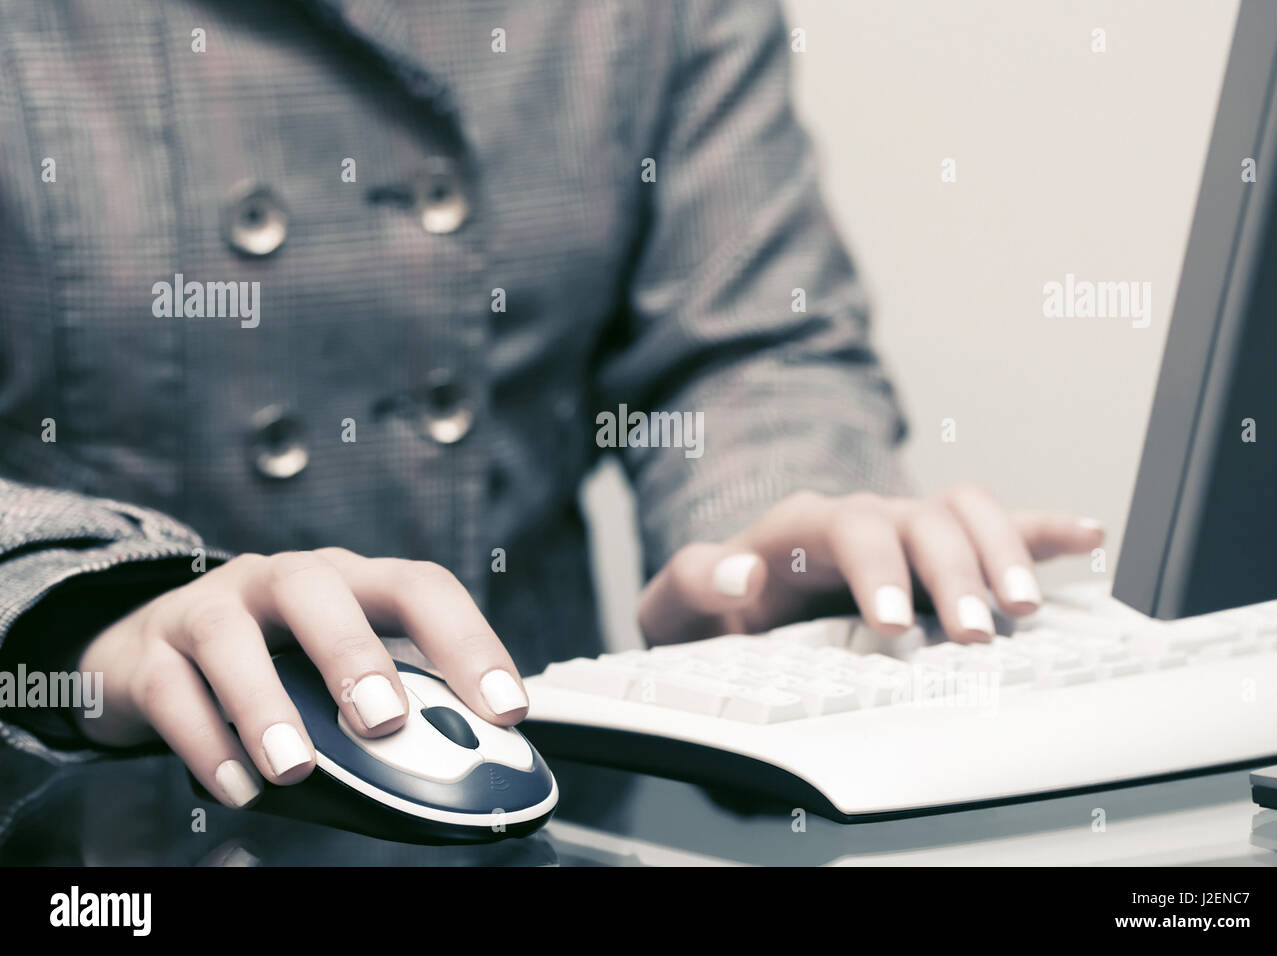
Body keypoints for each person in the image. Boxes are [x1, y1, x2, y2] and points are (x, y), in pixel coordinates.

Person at [0, 0, 1101, 810]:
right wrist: (86, 609)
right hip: (95, 816)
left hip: (537, 790)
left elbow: (745, 343)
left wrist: (765, 538)